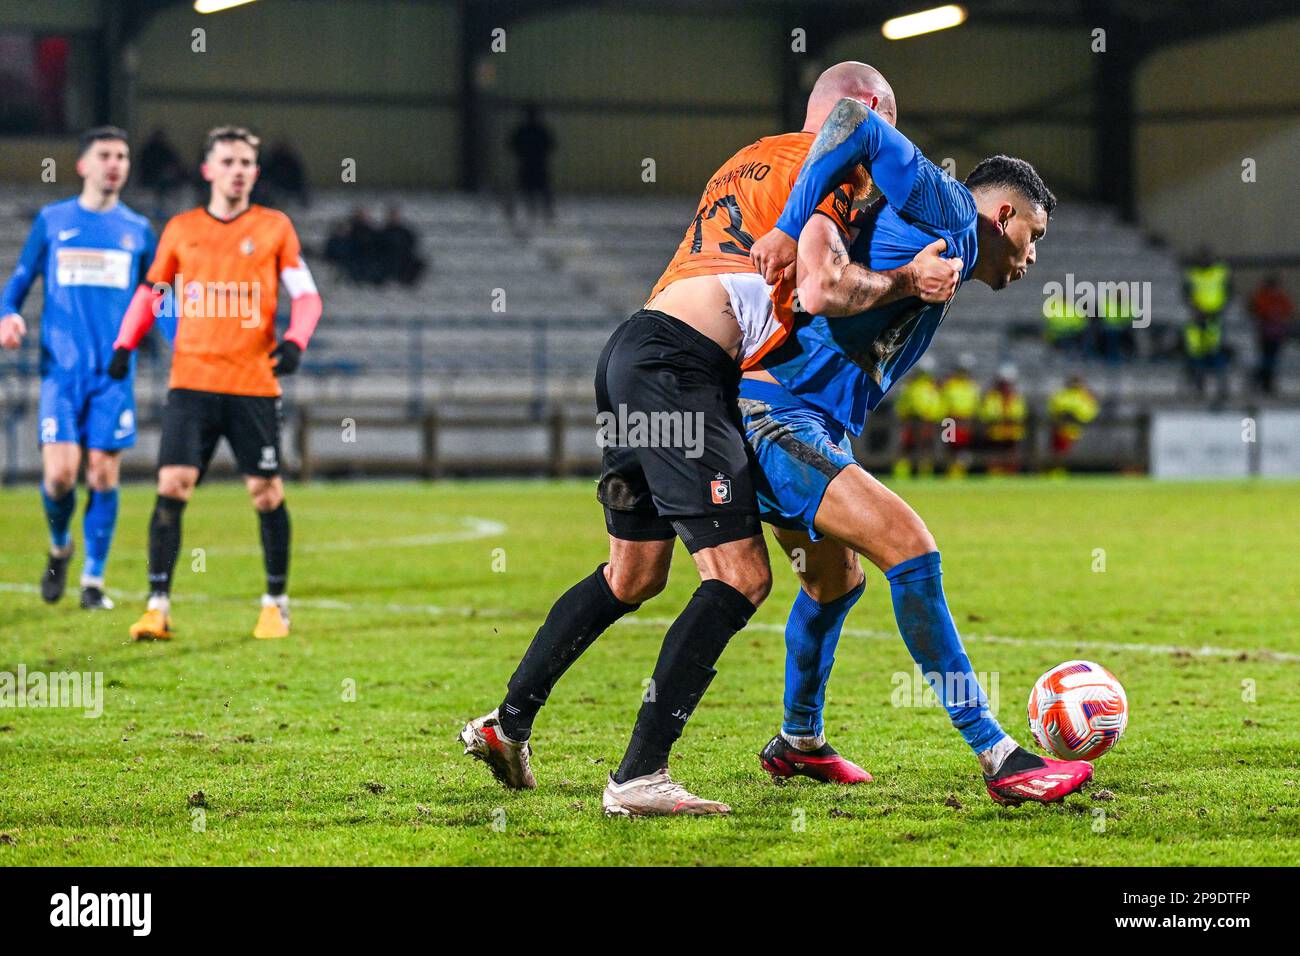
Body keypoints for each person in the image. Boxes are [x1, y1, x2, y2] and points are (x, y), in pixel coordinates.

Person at [461, 63, 957, 815]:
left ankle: (508, 722)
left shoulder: (751, 156)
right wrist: (906, 280)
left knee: (631, 576)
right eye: (884, 130)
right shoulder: (832, 174)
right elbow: (821, 287)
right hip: (683, 370)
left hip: (634, 350)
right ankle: (638, 778)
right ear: (863, 117)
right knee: (739, 578)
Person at [745, 120, 1093, 804]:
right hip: (775, 412)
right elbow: (854, 118)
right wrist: (789, 228)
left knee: (834, 584)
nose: (1032, 258)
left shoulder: (953, 246)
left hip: (803, 419)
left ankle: (799, 743)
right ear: (1004, 214)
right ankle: (1001, 758)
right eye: (1035, 237)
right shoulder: (956, 211)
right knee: (910, 548)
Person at [107, 126, 323, 641]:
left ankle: (275, 603)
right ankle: (157, 605)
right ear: (207, 169)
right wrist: (123, 344)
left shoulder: (275, 228)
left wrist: (295, 341)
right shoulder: (181, 229)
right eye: (227, 161)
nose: (238, 170)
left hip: (253, 384)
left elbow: (308, 297)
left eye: (247, 162)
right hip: (192, 382)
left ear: (256, 171)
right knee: (171, 486)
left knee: (266, 492)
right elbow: (150, 291)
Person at [0, 126, 156, 610]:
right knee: (61, 477)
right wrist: (7, 314)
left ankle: (93, 581)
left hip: (113, 374)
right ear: (83, 165)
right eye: (106, 154)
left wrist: (181, 334)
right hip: (60, 373)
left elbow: (156, 297)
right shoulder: (53, 221)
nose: (116, 163)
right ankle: (60, 545)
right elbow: (20, 280)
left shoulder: (139, 230)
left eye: (124, 156)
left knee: (105, 475)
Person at [891, 356, 944, 478]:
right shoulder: (916, 387)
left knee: (922, 449)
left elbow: (903, 404)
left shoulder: (916, 387)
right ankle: (903, 475)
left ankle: (920, 474)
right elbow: (903, 404)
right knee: (909, 448)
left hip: (924, 421)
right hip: (915, 420)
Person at [507, 103, 556, 226]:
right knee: (539, 190)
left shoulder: (525, 130)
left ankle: (540, 212)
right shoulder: (539, 130)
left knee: (530, 189)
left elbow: (512, 144)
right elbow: (551, 145)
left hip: (529, 163)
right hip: (535, 163)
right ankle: (545, 212)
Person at [979, 364, 1027, 474]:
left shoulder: (1016, 397)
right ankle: (994, 478)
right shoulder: (992, 397)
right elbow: (987, 414)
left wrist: (1010, 419)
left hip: (1012, 434)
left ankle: (1011, 479)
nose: (1006, 387)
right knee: (995, 459)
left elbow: (1020, 414)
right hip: (996, 434)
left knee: (1011, 459)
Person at [1248, 276, 1293, 395]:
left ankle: (1267, 383)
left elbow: (1288, 310)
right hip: (1265, 333)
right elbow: (1257, 310)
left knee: (1273, 359)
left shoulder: (1281, 298)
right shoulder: (1262, 297)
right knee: (1265, 358)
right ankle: (1263, 382)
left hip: (1276, 334)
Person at [1047, 374, 1099, 473]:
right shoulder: (1062, 394)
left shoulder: (1084, 396)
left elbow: (1091, 411)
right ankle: (1058, 473)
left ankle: (1066, 472)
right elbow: (1053, 408)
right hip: (1061, 428)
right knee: (1059, 453)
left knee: (1066, 453)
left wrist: (1077, 415)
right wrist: (1064, 414)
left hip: (1076, 429)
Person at [939, 355, 980, 477]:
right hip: (951, 421)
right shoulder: (950, 385)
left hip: (967, 421)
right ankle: (951, 475)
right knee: (951, 449)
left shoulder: (972, 386)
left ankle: (959, 475)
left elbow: (976, 405)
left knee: (964, 450)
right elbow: (944, 403)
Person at [376, 205, 426, 286]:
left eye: (395, 215)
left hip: (403, 257)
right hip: (386, 258)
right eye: (391, 215)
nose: (394, 218)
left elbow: (412, 243)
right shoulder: (382, 232)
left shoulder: (404, 231)